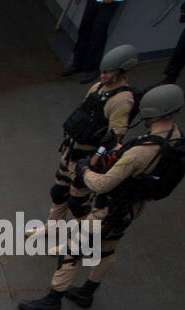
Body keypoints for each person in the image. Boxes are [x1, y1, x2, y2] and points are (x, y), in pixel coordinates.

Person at [19, 84, 185, 310]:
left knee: (71, 251)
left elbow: (102, 184)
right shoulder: (174, 139)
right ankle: (87, 292)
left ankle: (52, 300)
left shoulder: (139, 153)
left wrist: (84, 170)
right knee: (108, 249)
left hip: (108, 208)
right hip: (131, 208)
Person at [34, 44, 138, 246]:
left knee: (79, 204)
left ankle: (76, 242)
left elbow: (114, 136)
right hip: (71, 150)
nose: (103, 75)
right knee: (59, 191)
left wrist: (94, 161)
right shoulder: (98, 87)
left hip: (88, 158)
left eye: (108, 72)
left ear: (120, 72)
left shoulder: (122, 100)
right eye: (103, 70)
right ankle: (52, 226)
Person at [62, 0, 126, 84]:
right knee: (84, 29)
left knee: (98, 34)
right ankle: (78, 63)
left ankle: (92, 68)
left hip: (110, 3)